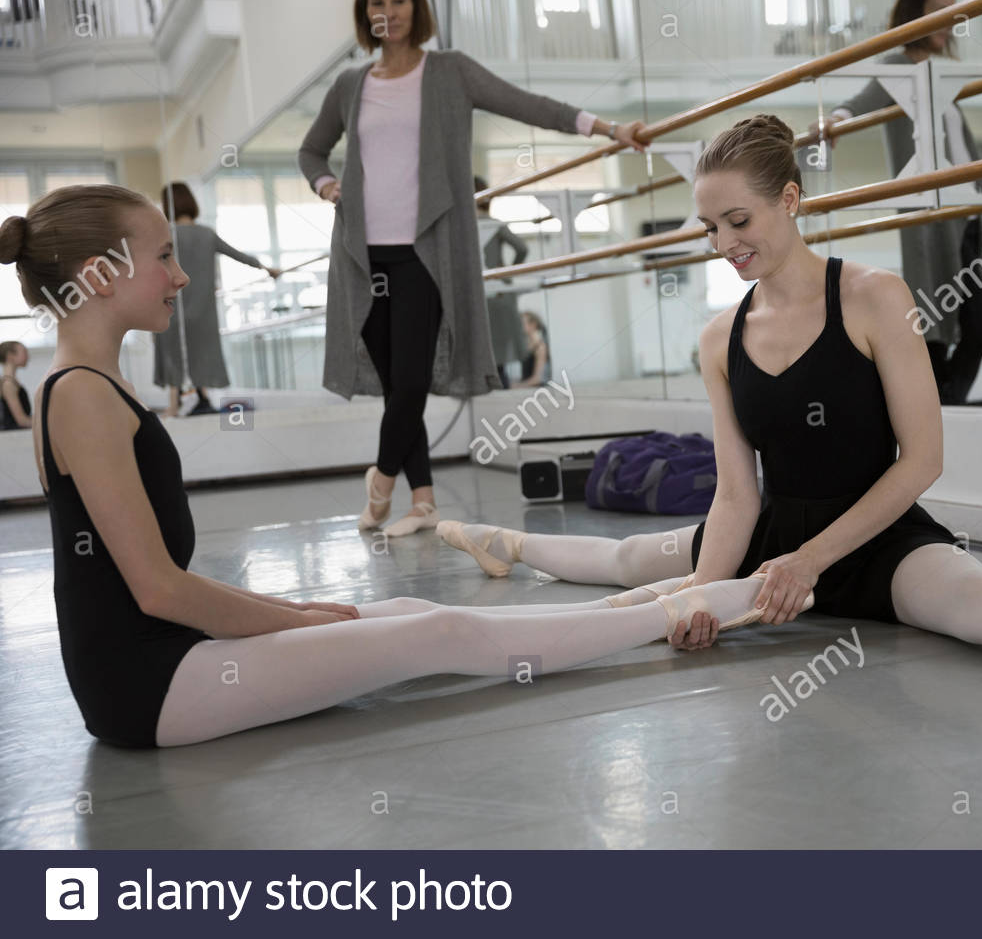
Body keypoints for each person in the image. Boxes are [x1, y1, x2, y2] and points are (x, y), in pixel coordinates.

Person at [436, 114, 982, 723]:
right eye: (710, 227)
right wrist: (709, 594)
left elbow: (921, 459)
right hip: (766, 540)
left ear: (790, 200)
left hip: (871, 537)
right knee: (630, 567)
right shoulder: (718, 339)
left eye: (740, 221)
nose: (724, 243)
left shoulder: (873, 298)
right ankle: (505, 542)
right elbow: (734, 495)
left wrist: (808, 563)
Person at [0, 183, 779, 748]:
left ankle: (636, 604)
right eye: (164, 257)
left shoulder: (88, 388)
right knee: (432, 633)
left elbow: (156, 581)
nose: (181, 275)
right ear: (99, 275)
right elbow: (156, 587)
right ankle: (673, 611)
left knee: (407, 614)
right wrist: (292, 617)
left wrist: (283, 612)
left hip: (163, 664)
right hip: (146, 689)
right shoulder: (83, 397)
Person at [298, 0, 648, 537]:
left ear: (418, 6)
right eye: (376, 3)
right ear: (365, 14)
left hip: (426, 253)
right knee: (396, 388)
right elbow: (311, 149)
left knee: (411, 381)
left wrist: (607, 128)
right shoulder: (350, 85)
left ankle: (381, 481)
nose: (387, 11)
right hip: (364, 257)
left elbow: (529, 105)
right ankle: (425, 504)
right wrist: (326, 186)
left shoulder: (450, 72)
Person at [811, 0, 982, 405]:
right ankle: (937, 413)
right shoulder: (899, 63)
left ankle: (943, 408)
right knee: (937, 323)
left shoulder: (938, 71)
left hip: (968, 213)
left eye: (954, 12)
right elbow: (863, 99)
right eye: (938, 11)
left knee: (977, 328)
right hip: (933, 217)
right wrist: (835, 120)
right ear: (916, 14)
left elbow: (961, 143)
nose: (949, 22)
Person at [154, 182, 282, 417]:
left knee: (175, 350)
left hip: (172, 305)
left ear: (167, 205)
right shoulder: (206, 234)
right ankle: (202, 397)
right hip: (203, 310)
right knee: (201, 352)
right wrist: (267, 268)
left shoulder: (166, 236)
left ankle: (174, 404)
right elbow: (239, 255)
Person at [474, 175, 531, 389]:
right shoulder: (494, 224)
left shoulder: (462, 226)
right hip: (499, 293)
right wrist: (507, 275)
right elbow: (522, 248)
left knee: (481, 357)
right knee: (499, 363)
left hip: (476, 295)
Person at [513, 310, 551, 388]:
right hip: (529, 388)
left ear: (533, 325)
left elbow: (537, 379)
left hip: (538, 390)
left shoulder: (540, 347)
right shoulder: (527, 346)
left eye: (521, 323)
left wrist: (516, 385)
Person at [1, 340, 32, 429]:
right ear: (10, 356)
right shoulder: (8, 384)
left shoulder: (12, 382)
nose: (28, 357)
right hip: (13, 437)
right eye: (24, 352)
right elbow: (22, 421)